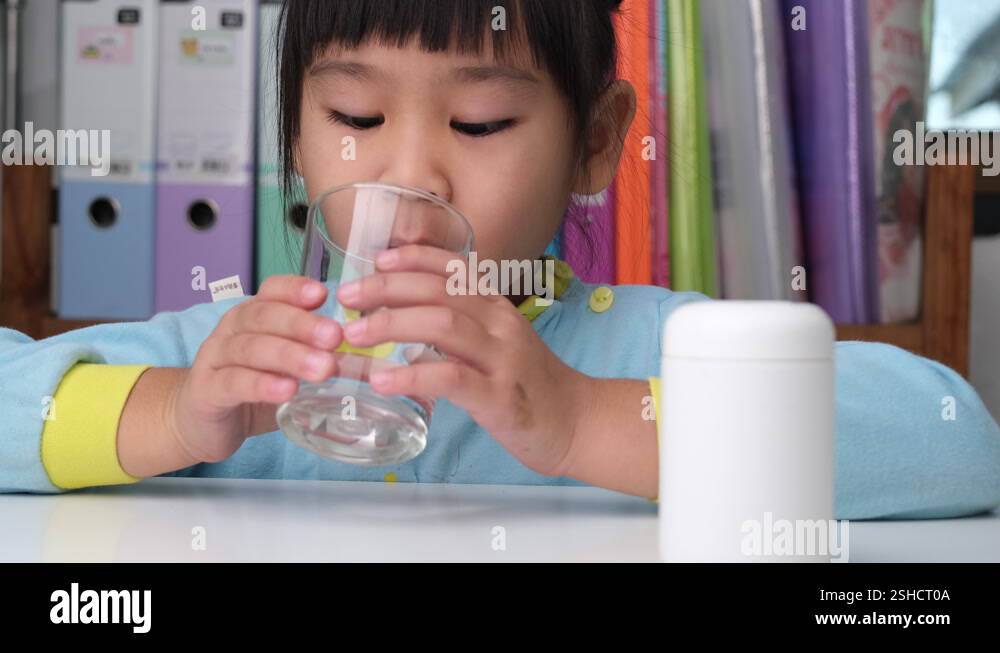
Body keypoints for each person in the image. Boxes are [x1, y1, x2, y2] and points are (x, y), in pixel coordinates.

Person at [2, 0, 998, 522]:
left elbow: (951, 439)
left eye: (479, 120)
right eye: (353, 115)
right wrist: (171, 414)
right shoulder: (238, 363)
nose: (410, 172)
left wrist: (581, 417)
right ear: (294, 140)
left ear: (594, 144)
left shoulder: (642, 350)